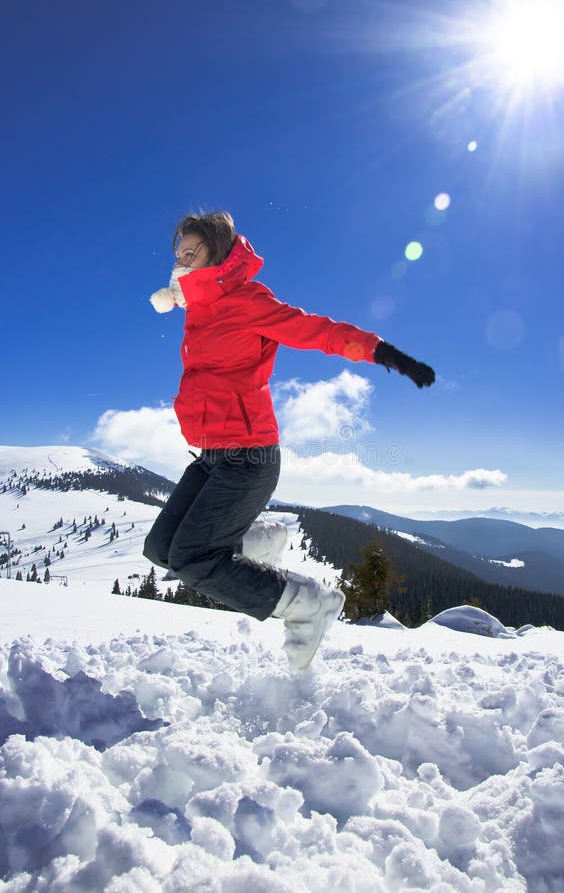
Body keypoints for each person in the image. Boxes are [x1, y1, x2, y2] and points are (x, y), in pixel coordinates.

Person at [143, 210, 435, 671]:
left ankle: (309, 605)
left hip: (248, 458)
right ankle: (258, 542)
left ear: (217, 255)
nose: (181, 262)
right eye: (178, 254)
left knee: (194, 559)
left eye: (191, 253)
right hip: (210, 455)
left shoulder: (247, 300)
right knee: (161, 549)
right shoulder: (198, 307)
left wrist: (382, 352)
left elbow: (316, 331)